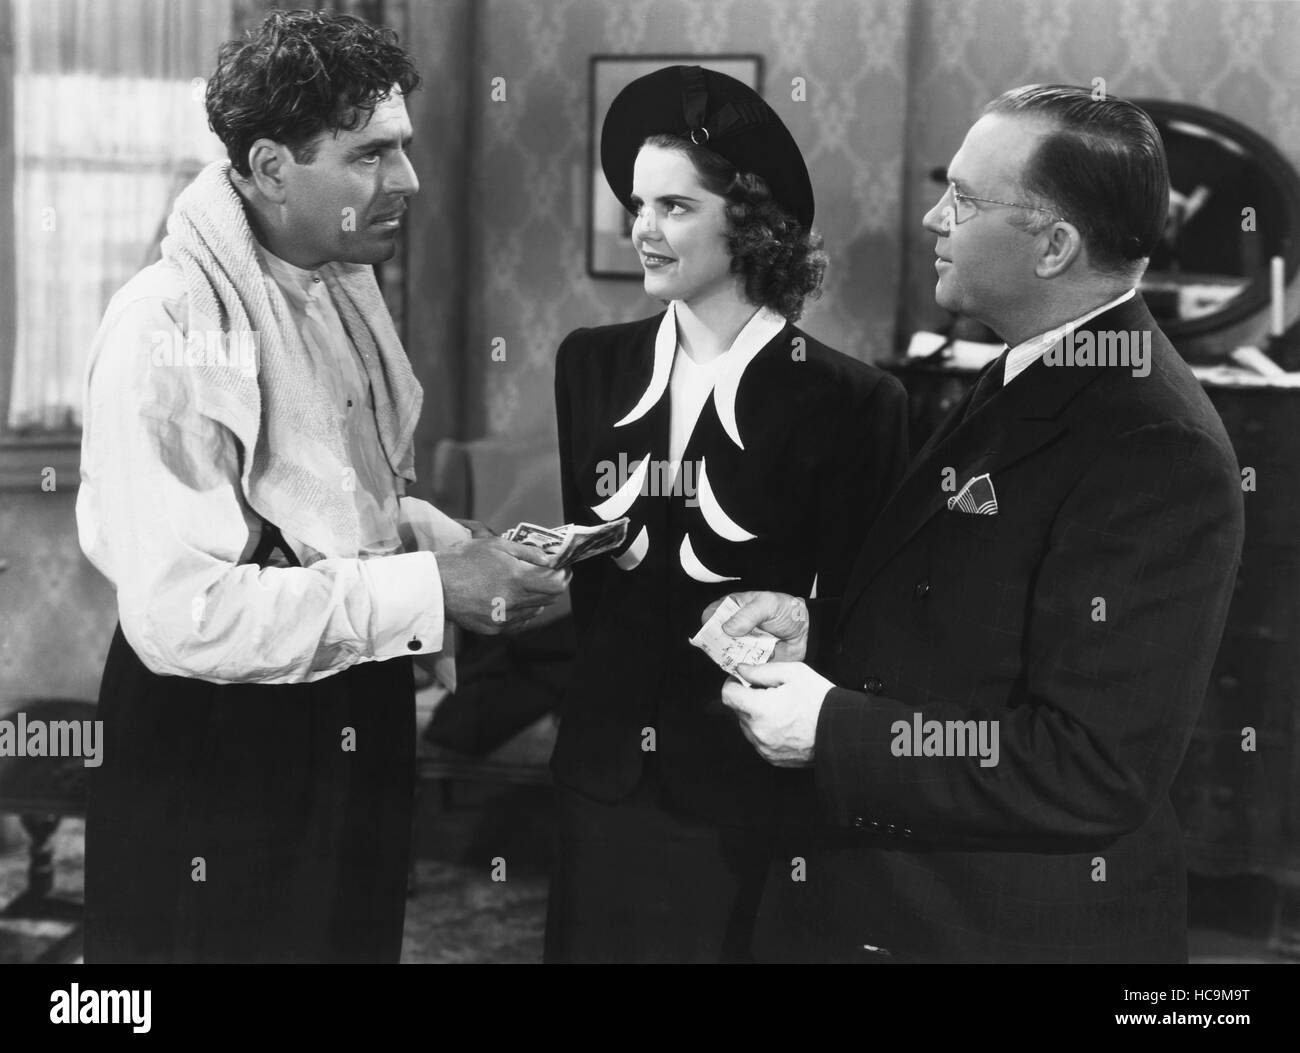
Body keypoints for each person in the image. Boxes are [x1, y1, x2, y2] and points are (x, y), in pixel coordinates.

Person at [76, 10, 567, 964]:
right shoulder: (165, 324)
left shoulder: (338, 285)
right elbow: (188, 614)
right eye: (371, 155)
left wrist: (444, 539)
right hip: (218, 741)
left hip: (350, 710)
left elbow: (335, 505)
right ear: (268, 167)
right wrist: (433, 589)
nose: (409, 181)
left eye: (405, 150)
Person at [716, 84, 1245, 963]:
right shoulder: (1031, 371)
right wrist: (821, 624)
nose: (933, 217)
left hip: (992, 926)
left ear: (1054, 246)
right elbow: (965, 611)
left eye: (963, 198)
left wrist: (835, 730)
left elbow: (1091, 765)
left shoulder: (1154, 443)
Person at [545, 65, 909, 962]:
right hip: (602, 776)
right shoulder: (589, 365)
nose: (642, 231)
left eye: (675, 207)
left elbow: (865, 614)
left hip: (750, 785)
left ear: (747, 222)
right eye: (637, 205)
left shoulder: (854, 400)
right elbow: (597, 576)